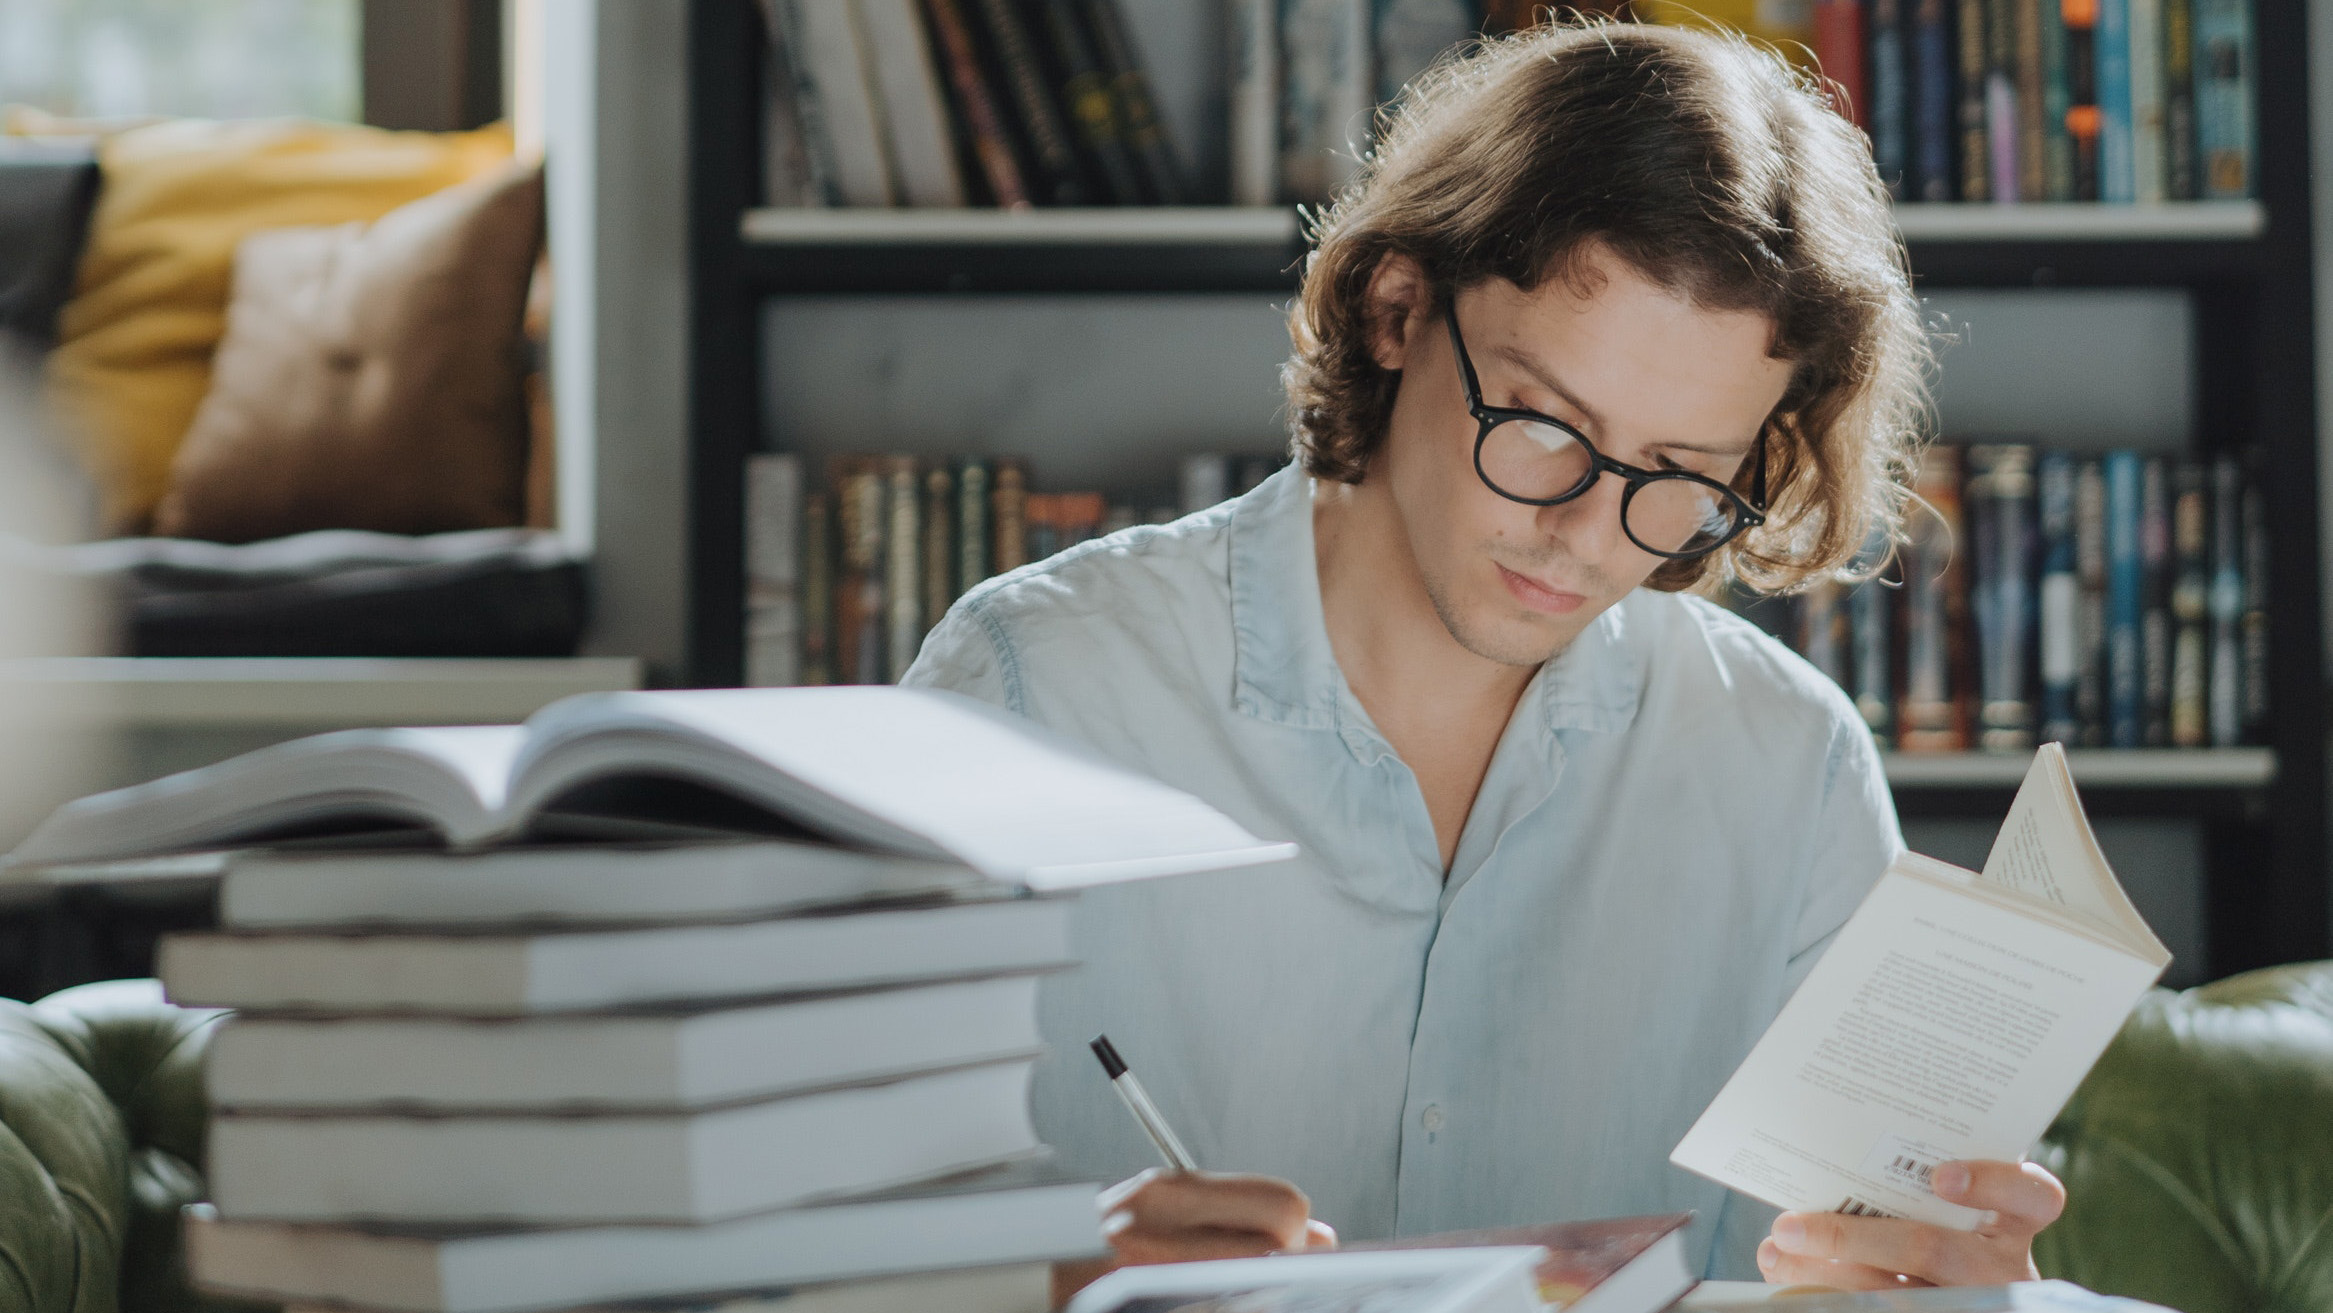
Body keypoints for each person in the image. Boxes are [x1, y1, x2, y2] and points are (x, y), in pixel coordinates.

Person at [902, 18, 2066, 1296]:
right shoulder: (1028, 689)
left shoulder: (1789, 768)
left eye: (1678, 474)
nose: (1585, 532)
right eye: (1543, 423)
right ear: (1396, 309)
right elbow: (801, 1254)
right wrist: (1050, 1282)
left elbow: (1849, 1269)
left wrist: (1952, 1277)